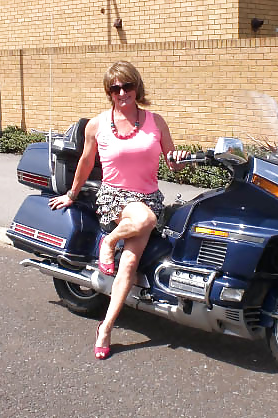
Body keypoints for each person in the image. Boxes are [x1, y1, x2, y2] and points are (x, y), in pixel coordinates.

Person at [48, 61, 188, 360]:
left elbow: (171, 163)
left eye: (127, 86)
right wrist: (71, 194)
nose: (122, 92)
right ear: (109, 92)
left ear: (137, 87)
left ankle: (106, 328)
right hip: (114, 198)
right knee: (146, 219)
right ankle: (109, 242)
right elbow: (86, 162)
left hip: (148, 198)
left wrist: (178, 160)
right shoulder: (97, 125)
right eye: (115, 88)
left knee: (129, 264)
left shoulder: (156, 121)